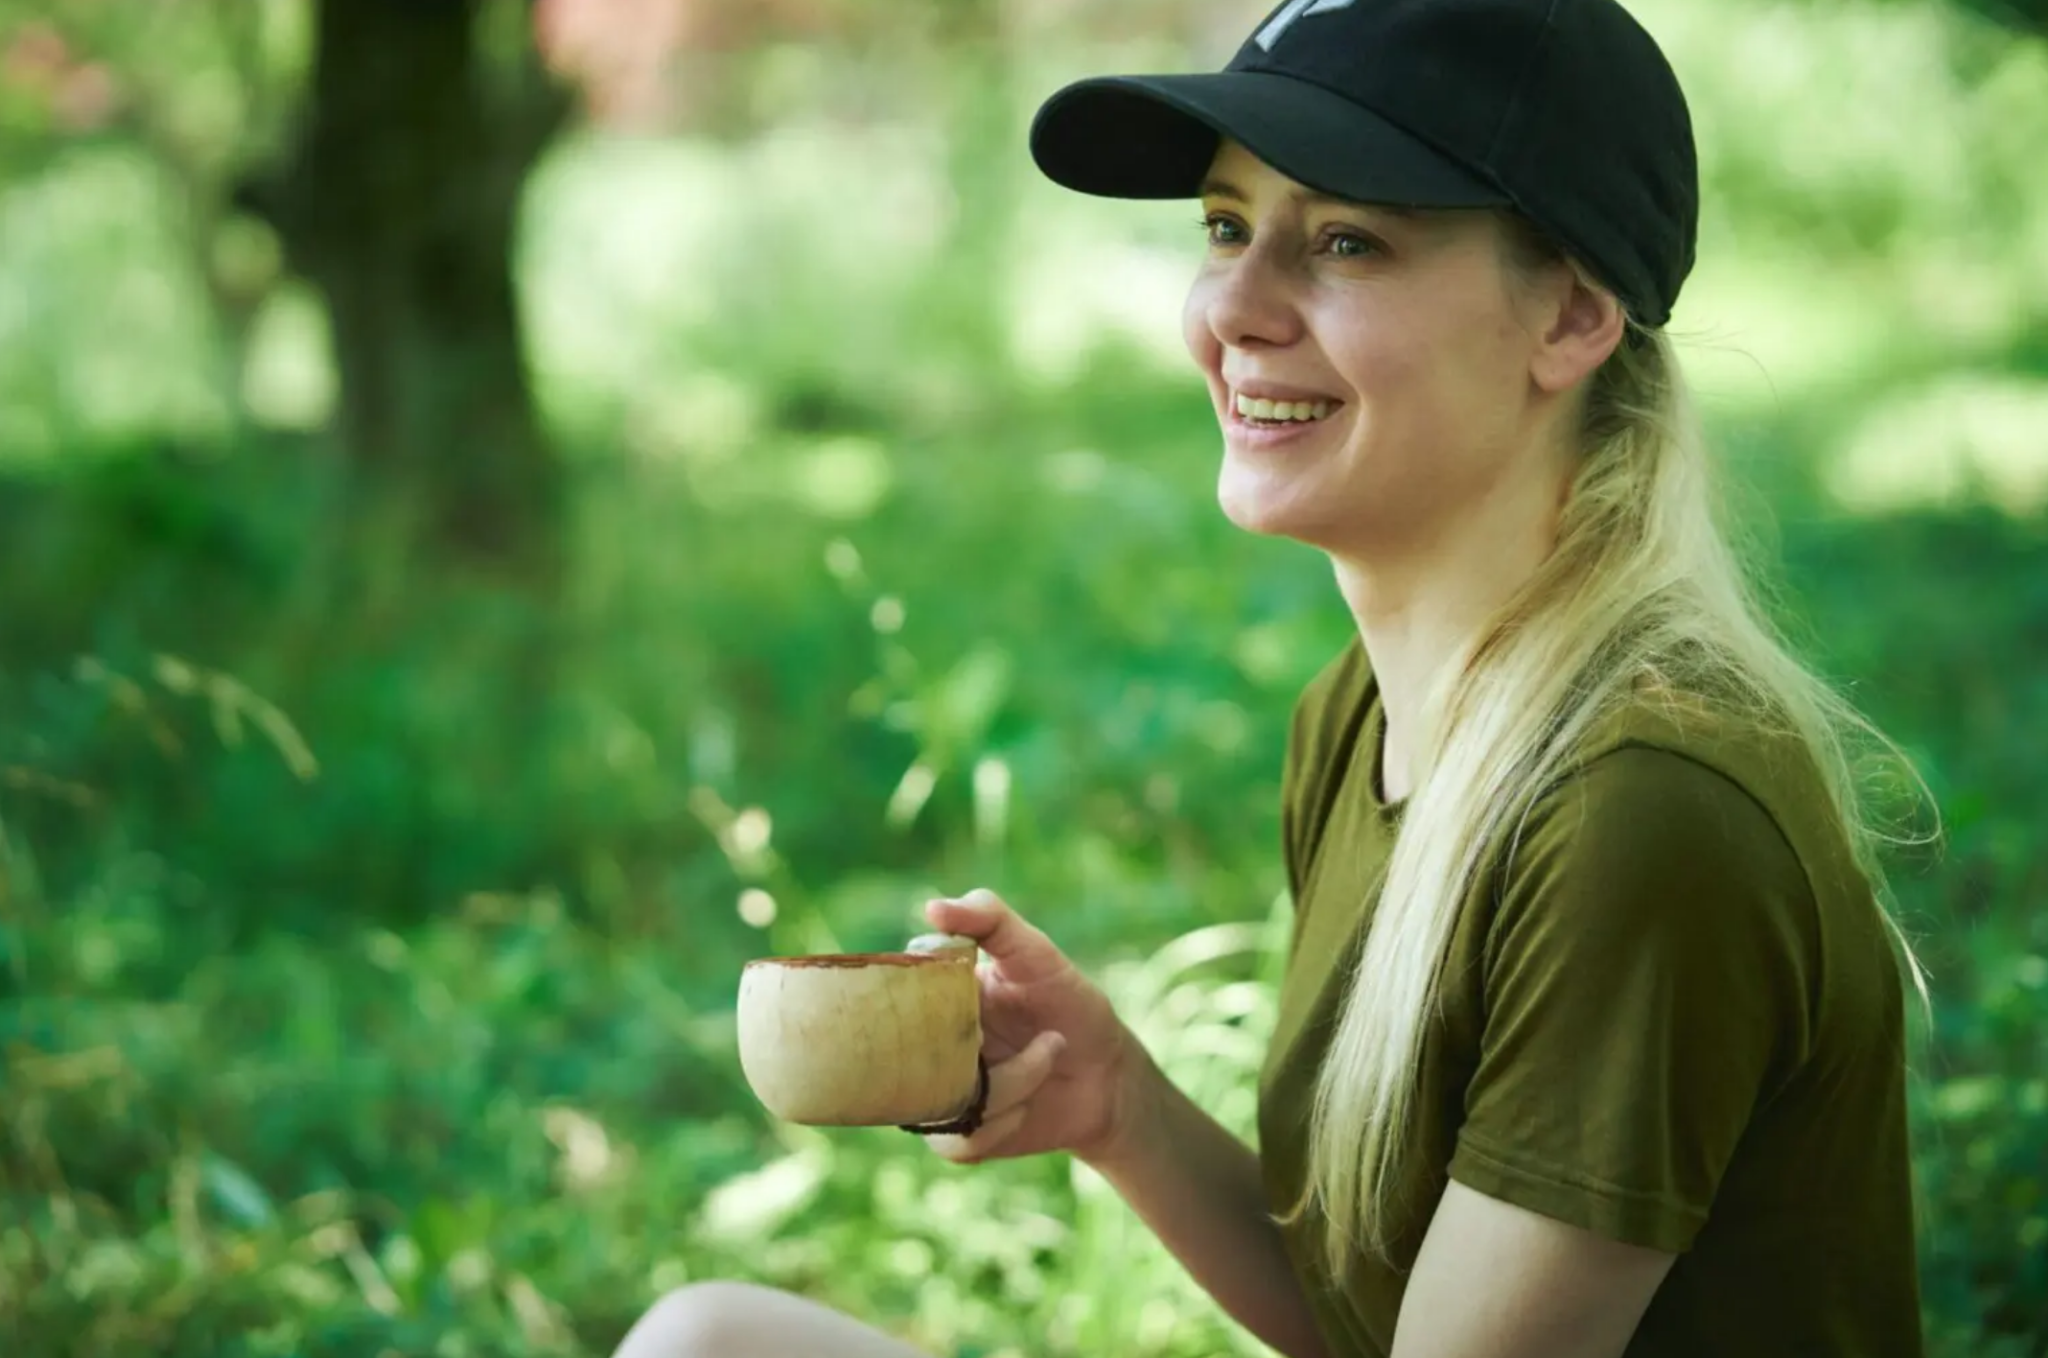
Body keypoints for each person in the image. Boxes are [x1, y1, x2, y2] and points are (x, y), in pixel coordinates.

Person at [612, 0, 1931, 1354]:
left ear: (1572, 315)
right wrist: (1117, 1101)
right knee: (707, 1339)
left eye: (1347, 241)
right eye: (1227, 226)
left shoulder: (1639, 814)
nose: (1231, 312)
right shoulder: (1366, 716)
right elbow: (1376, 1316)